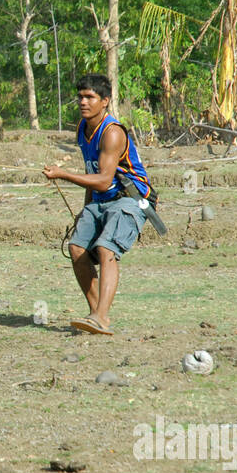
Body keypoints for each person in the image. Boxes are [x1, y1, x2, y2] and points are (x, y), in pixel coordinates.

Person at [42, 74, 156, 337]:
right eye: (81, 96)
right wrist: (86, 209)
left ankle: (100, 317)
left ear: (104, 101)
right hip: (101, 200)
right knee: (76, 248)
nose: (83, 102)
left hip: (130, 199)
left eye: (90, 97)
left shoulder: (112, 132)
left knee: (105, 248)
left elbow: (104, 180)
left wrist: (62, 174)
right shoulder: (82, 128)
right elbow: (91, 173)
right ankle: (96, 316)